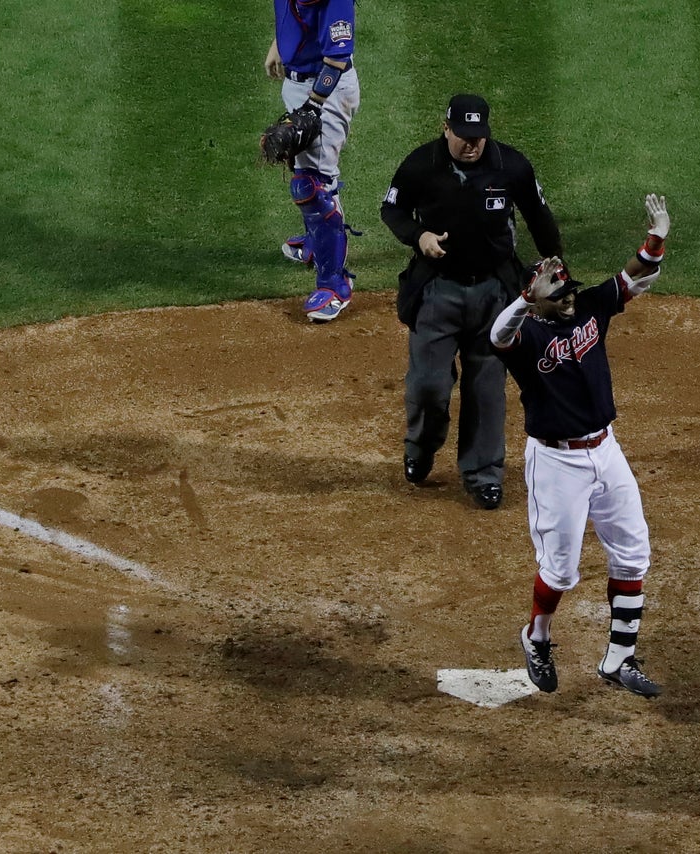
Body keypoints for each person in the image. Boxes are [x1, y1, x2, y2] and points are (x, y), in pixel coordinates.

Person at [491, 194, 670, 698]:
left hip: (606, 450)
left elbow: (633, 277)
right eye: (557, 292)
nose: (568, 297)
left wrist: (656, 237)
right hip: (555, 462)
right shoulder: (524, 339)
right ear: (536, 297)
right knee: (561, 570)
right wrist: (525, 301)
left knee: (633, 556)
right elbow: (495, 334)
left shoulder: (590, 307)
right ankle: (537, 636)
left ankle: (619, 658)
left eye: (568, 287)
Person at [380, 94, 563, 510]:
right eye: (463, 136)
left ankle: (483, 474)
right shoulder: (421, 165)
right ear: (446, 128)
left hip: (495, 292)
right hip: (437, 291)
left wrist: (557, 266)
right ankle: (421, 447)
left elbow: (538, 216)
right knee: (427, 385)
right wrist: (419, 236)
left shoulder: (510, 165)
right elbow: (391, 210)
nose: (472, 145)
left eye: (479, 136)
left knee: (487, 387)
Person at [266, 0, 360, 322]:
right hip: (296, 83)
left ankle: (335, 285)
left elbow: (336, 58)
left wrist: (313, 105)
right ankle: (315, 243)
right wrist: (279, 44)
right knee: (301, 166)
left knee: (313, 186)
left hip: (325, 88)